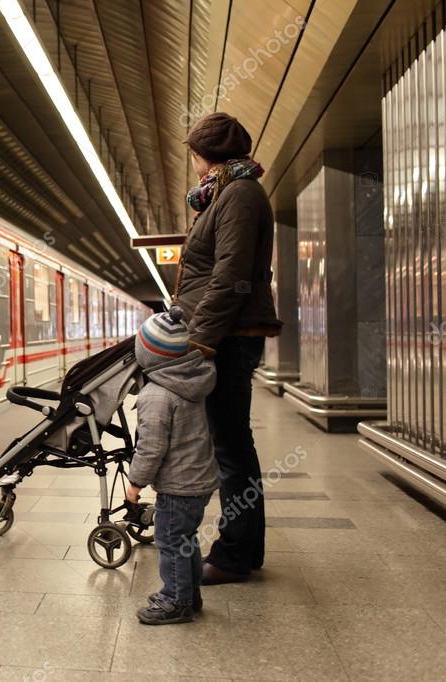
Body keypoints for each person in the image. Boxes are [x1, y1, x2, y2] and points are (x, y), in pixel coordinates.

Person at [174, 113, 282, 584]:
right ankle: (241, 548)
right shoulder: (227, 192)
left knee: (232, 449)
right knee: (231, 445)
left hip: (229, 339)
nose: (194, 166)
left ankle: (235, 554)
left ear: (206, 156)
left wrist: (200, 338)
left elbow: (229, 277)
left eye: (195, 156)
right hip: (227, 335)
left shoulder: (238, 196)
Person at [127, 307, 219, 625]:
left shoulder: (155, 396)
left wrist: (135, 482)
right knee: (186, 538)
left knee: (169, 541)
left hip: (179, 485)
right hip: (200, 479)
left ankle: (175, 600)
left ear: (146, 355)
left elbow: (151, 449)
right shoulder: (192, 380)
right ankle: (189, 595)